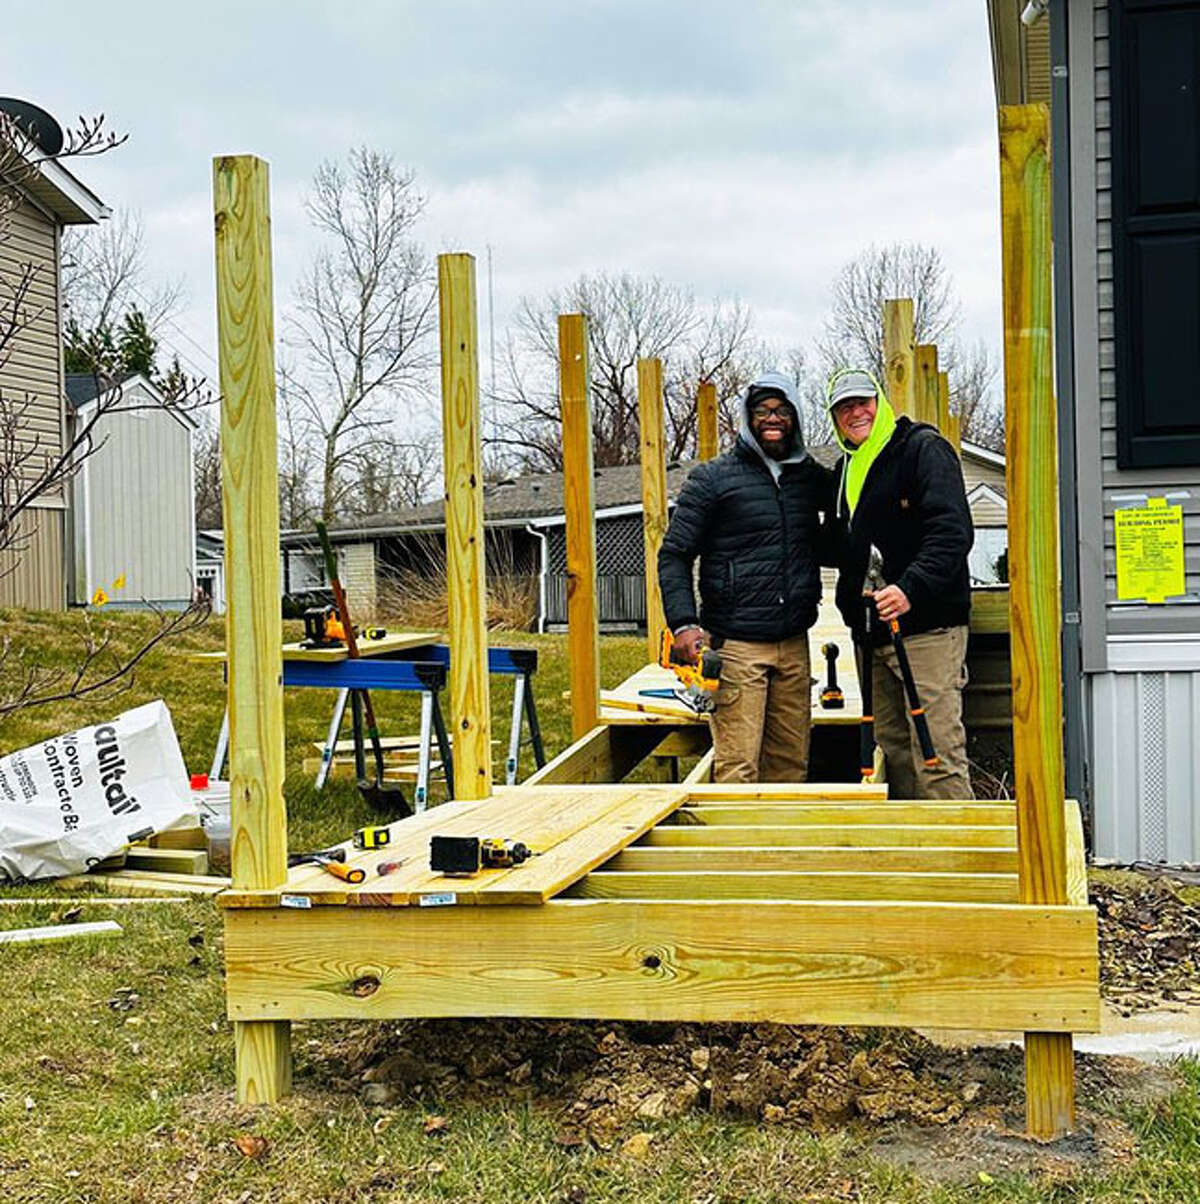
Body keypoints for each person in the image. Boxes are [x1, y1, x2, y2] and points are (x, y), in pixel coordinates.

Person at [658, 371, 832, 782]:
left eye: (782, 411)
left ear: (795, 418)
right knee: (738, 767)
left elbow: (854, 501)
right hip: (737, 646)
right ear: (747, 418)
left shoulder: (808, 477)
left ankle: (779, 828)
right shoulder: (713, 479)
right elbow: (674, 554)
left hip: (794, 643)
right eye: (762, 411)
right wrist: (683, 624)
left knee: (790, 766)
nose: (773, 419)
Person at [825, 367, 975, 800]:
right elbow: (836, 548)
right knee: (891, 753)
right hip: (870, 636)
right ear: (834, 418)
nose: (856, 413)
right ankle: (912, 840)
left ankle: (954, 839)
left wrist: (911, 587)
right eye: (844, 407)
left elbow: (952, 533)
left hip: (927, 631)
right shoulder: (844, 471)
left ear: (880, 403)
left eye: (863, 402)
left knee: (936, 754)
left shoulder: (922, 450)